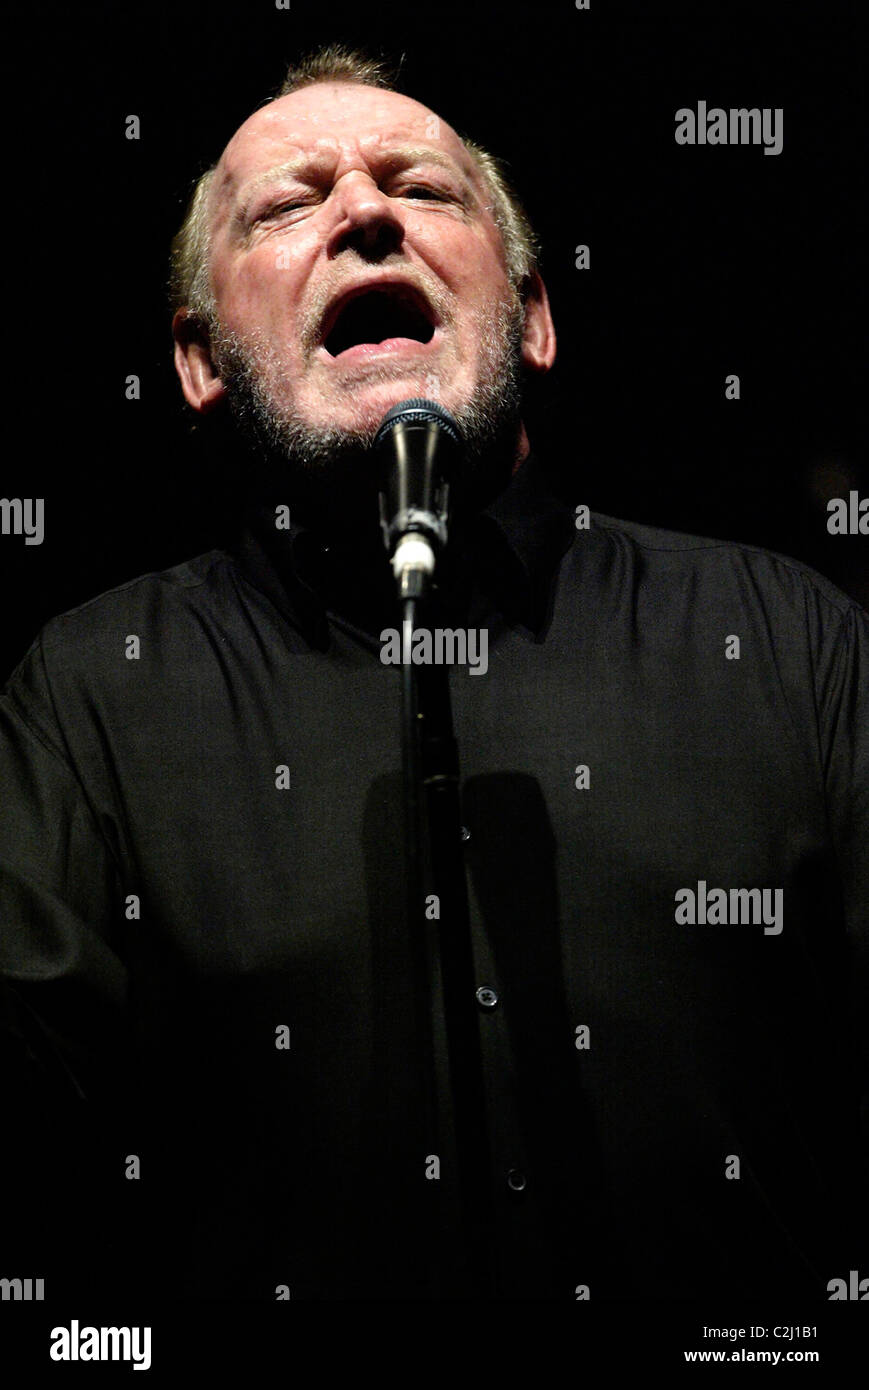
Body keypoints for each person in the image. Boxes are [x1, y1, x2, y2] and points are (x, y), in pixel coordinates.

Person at [1, 44, 866, 1303]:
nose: (363, 212)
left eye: (421, 187)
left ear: (528, 316)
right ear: (195, 359)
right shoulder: (86, 701)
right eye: (290, 205)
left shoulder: (790, 643)